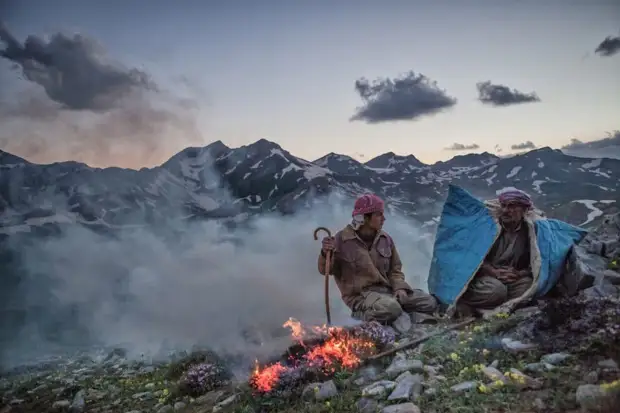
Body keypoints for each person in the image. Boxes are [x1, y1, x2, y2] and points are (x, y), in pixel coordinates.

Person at [317, 194, 438, 326]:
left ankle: (398, 315)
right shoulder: (341, 240)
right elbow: (325, 270)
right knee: (391, 308)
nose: (383, 219)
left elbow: (395, 270)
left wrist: (399, 288)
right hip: (361, 296)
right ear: (364, 218)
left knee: (429, 302)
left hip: (387, 291)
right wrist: (325, 252)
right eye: (379, 214)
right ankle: (360, 318)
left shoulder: (385, 239)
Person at [459, 189, 534, 311]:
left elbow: (536, 262)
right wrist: (493, 272)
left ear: (524, 210)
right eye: (503, 206)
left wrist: (518, 274)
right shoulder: (489, 227)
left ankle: (499, 307)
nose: (505, 211)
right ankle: (465, 302)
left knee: (527, 285)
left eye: (512, 207)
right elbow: (471, 257)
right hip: (483, 277)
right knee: (496, 291)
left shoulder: (529, 233)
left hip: (509, 277)